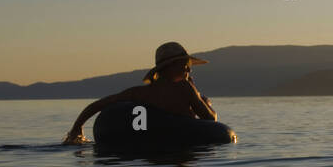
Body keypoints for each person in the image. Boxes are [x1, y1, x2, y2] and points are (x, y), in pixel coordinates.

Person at [62, 42, 218, 144]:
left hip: (145, 148)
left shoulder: (139, 93)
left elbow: (98, 104)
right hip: (177, 148)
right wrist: (206, 102)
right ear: (171, 66)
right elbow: (210, 119)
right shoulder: (185, 88)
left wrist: (77, 127)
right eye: (185, 65)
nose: (189, 70)